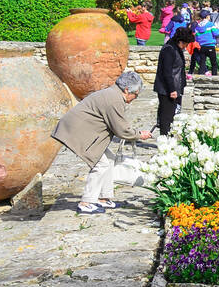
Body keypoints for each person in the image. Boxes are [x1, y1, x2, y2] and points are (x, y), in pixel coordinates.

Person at [51, 71, 152, 214]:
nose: (135, 98)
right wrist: (139, 135)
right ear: (127, 90)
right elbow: (121, 129)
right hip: (76, 131)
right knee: (101, 163)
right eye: (135, 94)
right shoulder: (114, 99)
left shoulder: (113, 94)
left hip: (82, 129)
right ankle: (87, 202)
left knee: (109, 159)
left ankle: (104, 198)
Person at [153, 27, 192, 136]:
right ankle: (165, 138)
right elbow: (167, 72)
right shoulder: (169, 50)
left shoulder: (176, 49)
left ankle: (170, 137)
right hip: (167, 89)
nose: (186, 46)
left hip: (176, 87)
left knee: (173, 114)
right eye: (186, 44)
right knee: (166, 116)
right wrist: (172, 89)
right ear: (180, 41)